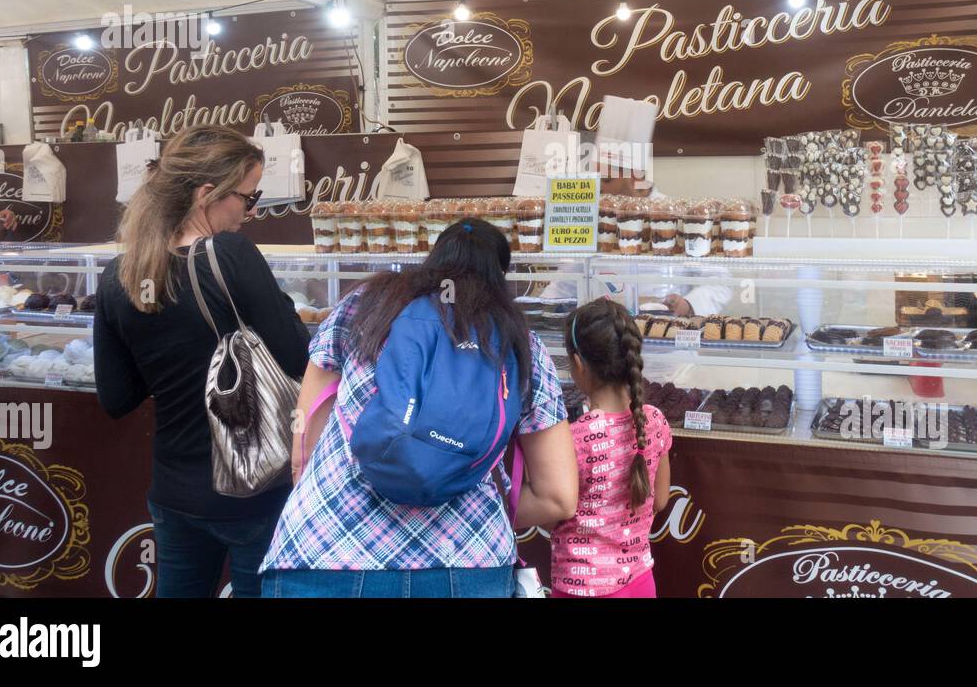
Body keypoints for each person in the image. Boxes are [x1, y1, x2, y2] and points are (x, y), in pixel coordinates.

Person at [261, 217, 578, 599]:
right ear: (499, 278)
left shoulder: (363, 306)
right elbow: (557, 496)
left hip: (326, 549)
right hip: (467, 562)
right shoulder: (521, 343)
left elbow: (305, 443)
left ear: (433, 261)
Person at [93, 125, 310, 598]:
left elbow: (116, 396)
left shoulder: (119, 274)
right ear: (206, 194)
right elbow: (298, 356)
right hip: (254, 489)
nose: (250, 214)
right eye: (248, 199)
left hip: (174, 492)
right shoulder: (229, 253)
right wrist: (283, 305)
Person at [550, 298, 670, 598]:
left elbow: (552, 509)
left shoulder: (573, 438)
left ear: (578, 364)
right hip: (641, 581)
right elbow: (661, 499)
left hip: (583, 589)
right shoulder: (654, 421)